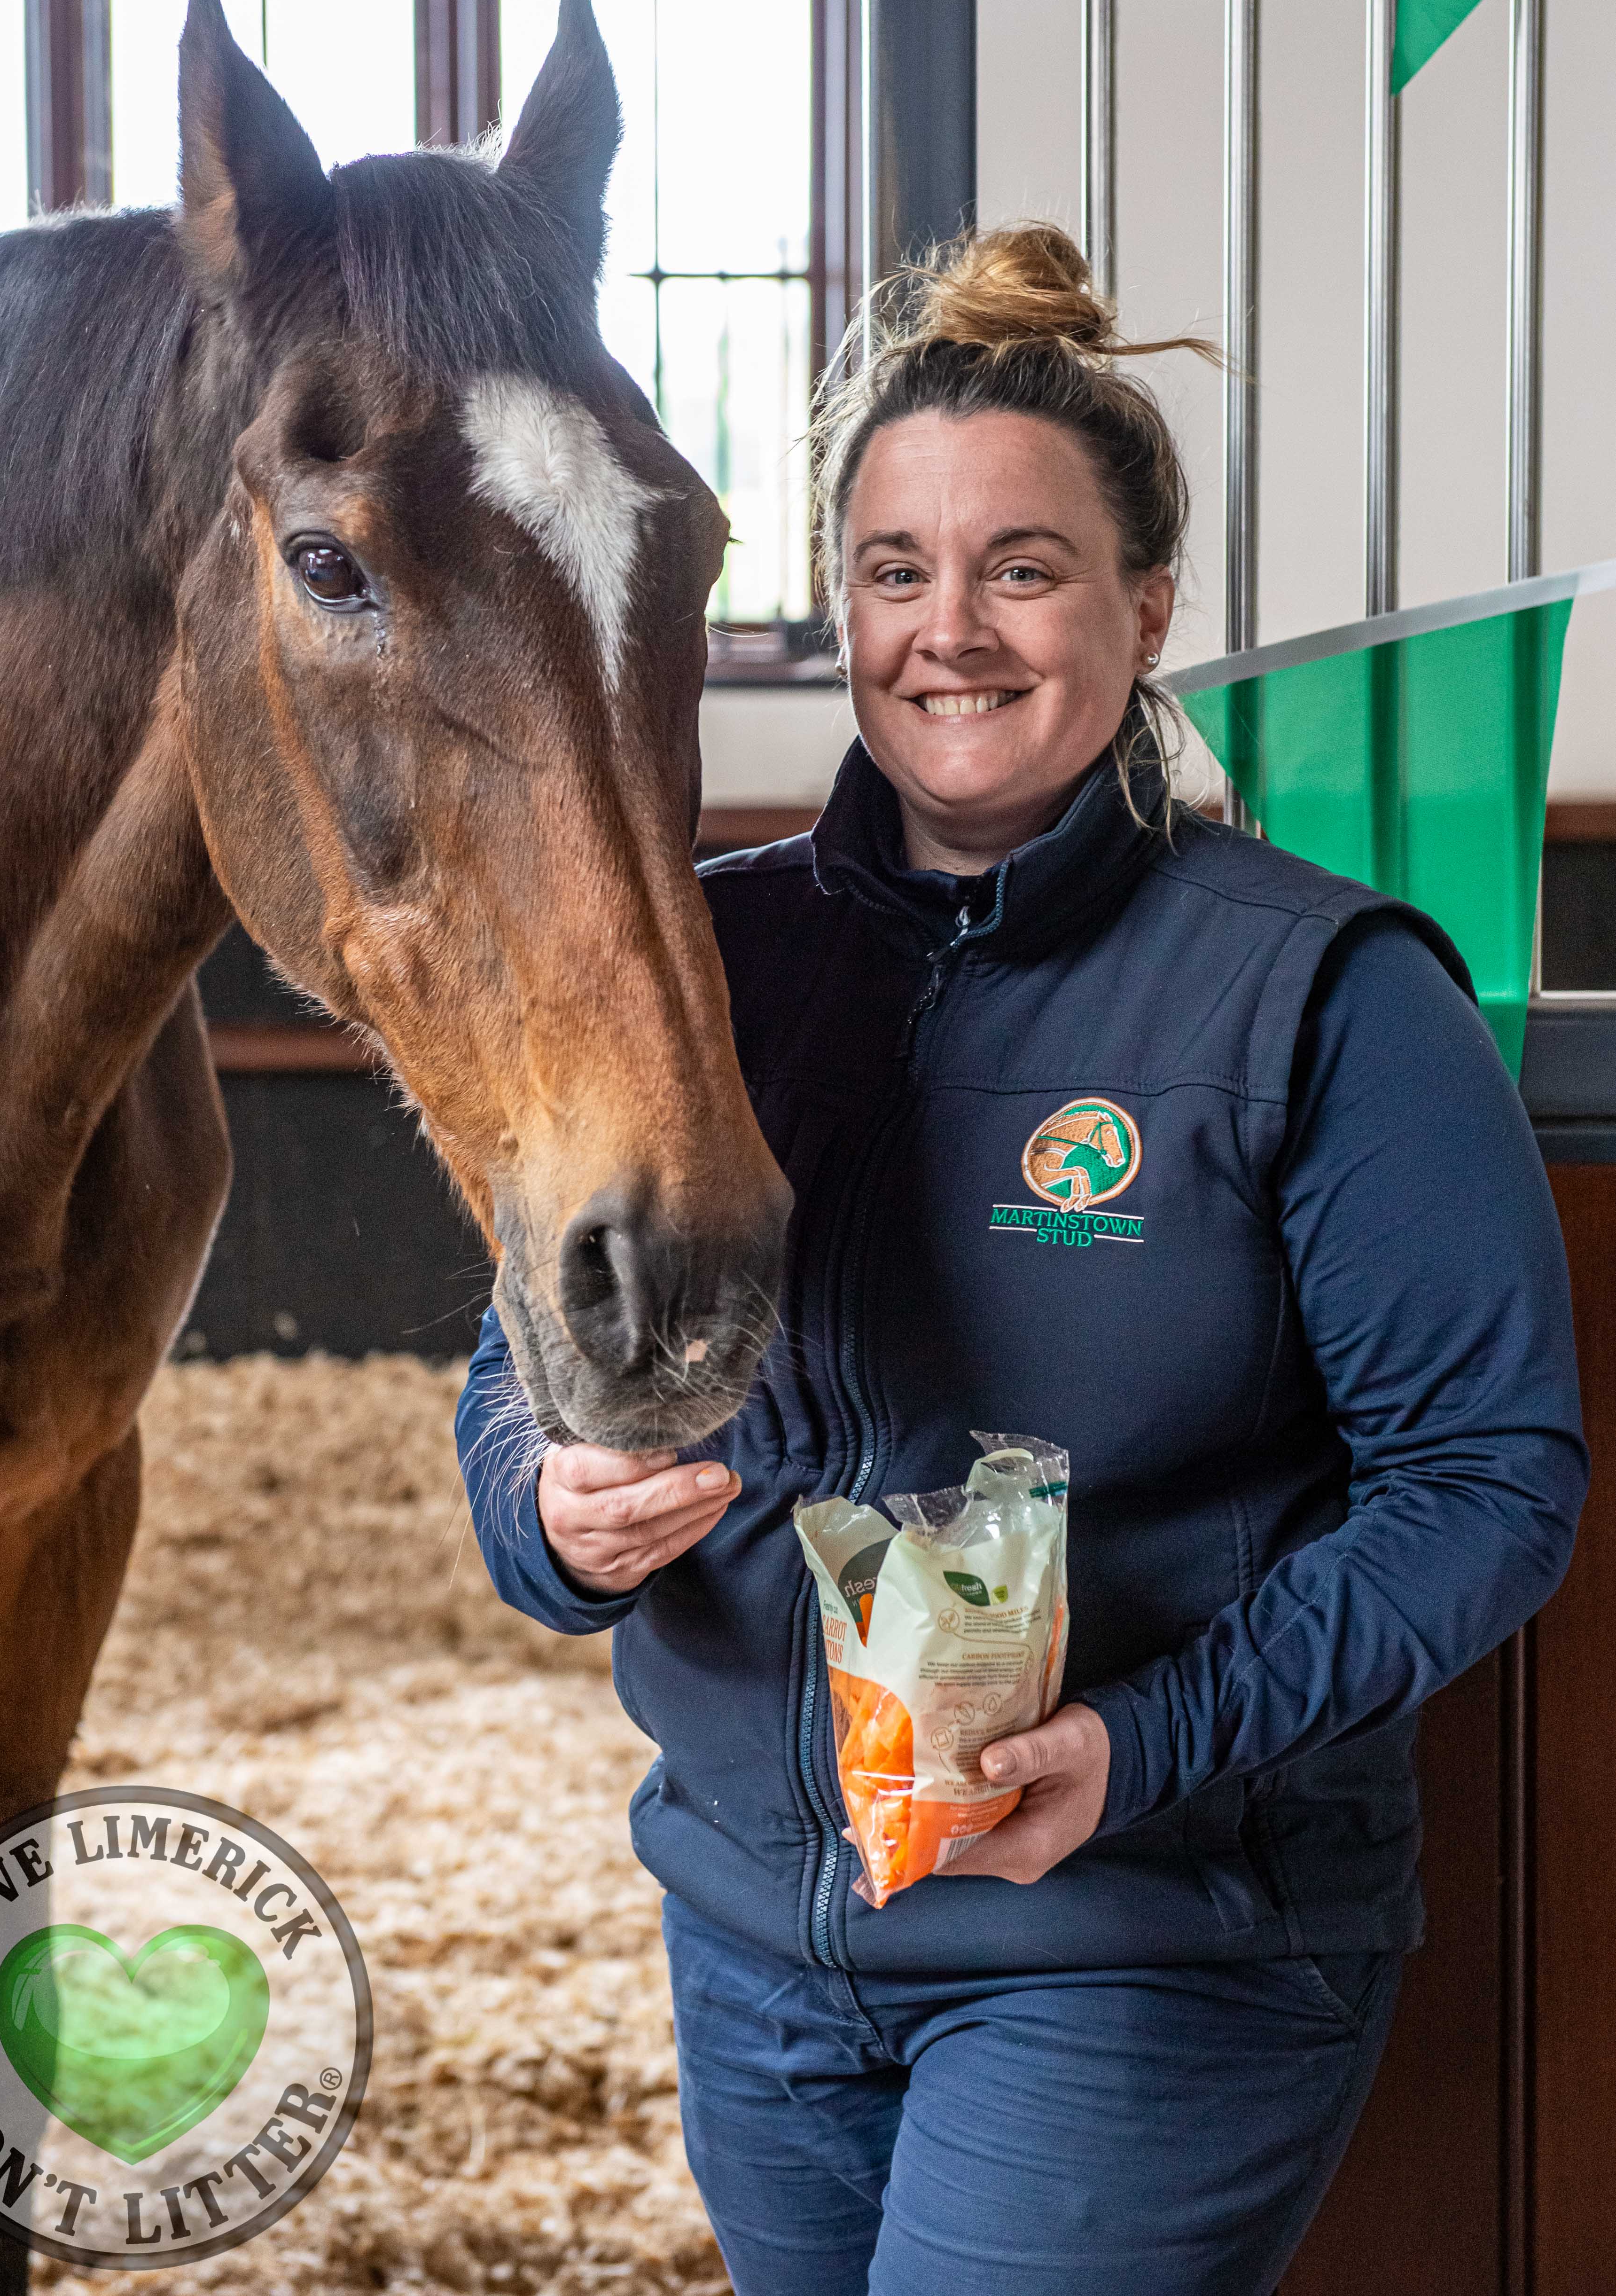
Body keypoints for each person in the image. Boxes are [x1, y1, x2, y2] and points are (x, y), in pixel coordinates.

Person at [454, 227, 1585, 2296]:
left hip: (1143, 1946)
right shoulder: (701, 962)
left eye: (1022, 568)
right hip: (760, 1949)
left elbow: (1487, 1483)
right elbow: (514, 1360)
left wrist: (1136, 1745)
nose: (946, 631)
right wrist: (550, 1509)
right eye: (895, 569)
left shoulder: (1319, 993)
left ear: (1146, 606)